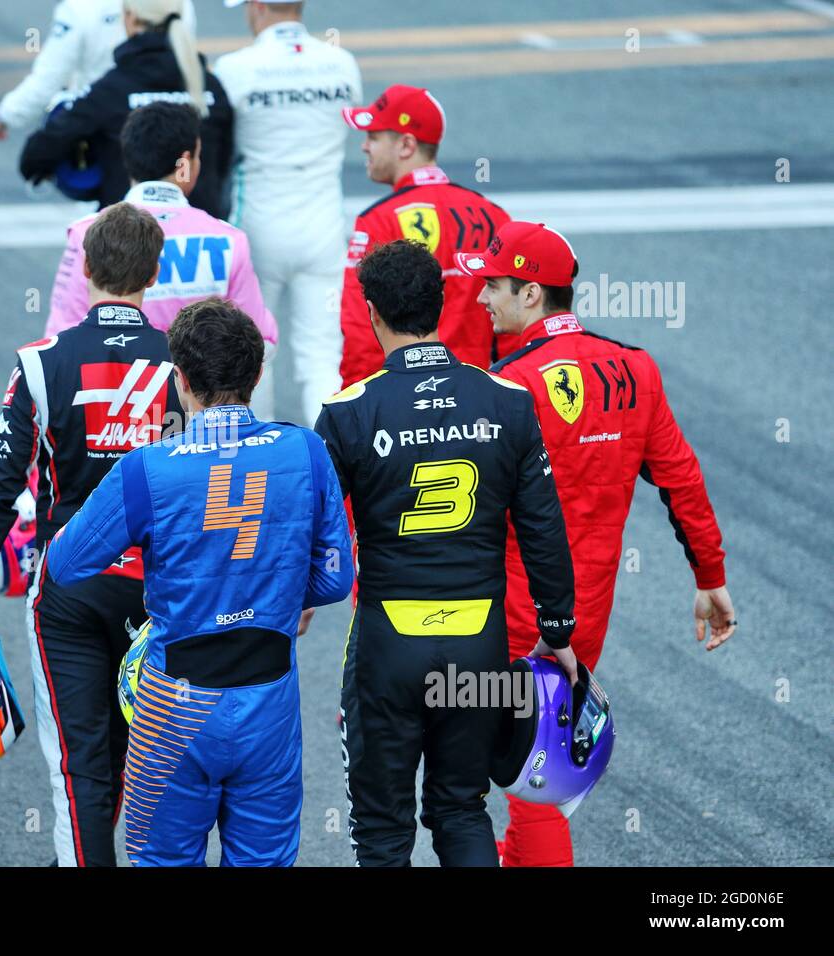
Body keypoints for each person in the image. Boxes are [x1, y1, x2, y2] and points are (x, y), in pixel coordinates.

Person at [457, 220, 736, 866]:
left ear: (532, 295)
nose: (481, 300)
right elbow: (682, 480)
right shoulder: (634, 369)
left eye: (494, 286)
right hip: (583, 619)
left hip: (506, 617)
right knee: (531, 780)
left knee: (522, 789)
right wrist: (710, 577)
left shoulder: (507, 384)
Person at [45, 298, 354, 866]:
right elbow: (336, 578)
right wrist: (280, 592)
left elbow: (64, 566)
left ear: (180, 380)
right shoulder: (306, 450)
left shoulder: (147, 467)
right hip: (269, 696)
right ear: (259, 374)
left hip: (172, 703)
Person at [0, 202, 183, 867]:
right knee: (131, 745)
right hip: (161, 591)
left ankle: (81, 854)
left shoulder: (42, 364)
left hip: (69, 583)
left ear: (89, 270)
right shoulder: (182, 364)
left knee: (78, 760)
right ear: (153, 273)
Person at [315, 239, 577, 866]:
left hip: (387, 645)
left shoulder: (347, 412)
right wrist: (558, 628)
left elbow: (313, 532)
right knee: (461, 809)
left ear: (373, 312)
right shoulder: (506, 401)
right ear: (441, 305)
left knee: (382, 830)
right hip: (477, 642)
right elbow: (543, 524)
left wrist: (295, 605)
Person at [45, 101, 277, 417]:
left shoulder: (88, 232)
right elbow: (260, 342)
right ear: (186, 163)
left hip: (108, 420)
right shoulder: (228, 239)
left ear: (129, 159)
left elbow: (59, 339)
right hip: (195, 422)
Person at [214, 0, 362, 423]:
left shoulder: (234, 68)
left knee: (254, 353)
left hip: (257, 231)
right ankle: (334, 468)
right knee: (322, 356)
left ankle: (259, 465)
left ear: (257, 7)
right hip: (324, 228)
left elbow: (221, 151)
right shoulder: (342, 63)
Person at [338, 85, 513, 388]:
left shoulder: (378, 220)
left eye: (373, 137)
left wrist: (357, 404)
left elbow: (362, 330)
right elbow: (515, 325)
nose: (365, 146)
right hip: (479, 398)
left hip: (405, 401)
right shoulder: (493, 215)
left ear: (406, 145)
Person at [20, 0, 233, 220]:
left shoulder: (109, 91)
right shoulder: (210, 87)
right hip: (203, 236)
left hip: (127, 241)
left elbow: (36, 154)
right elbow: (225, 162)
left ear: (129, 18)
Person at [0, 0, 197, 140]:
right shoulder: (179, 3)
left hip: (104, 129)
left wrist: (6, 115)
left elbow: (49, 77)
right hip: (171, 128)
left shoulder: (80, 7)